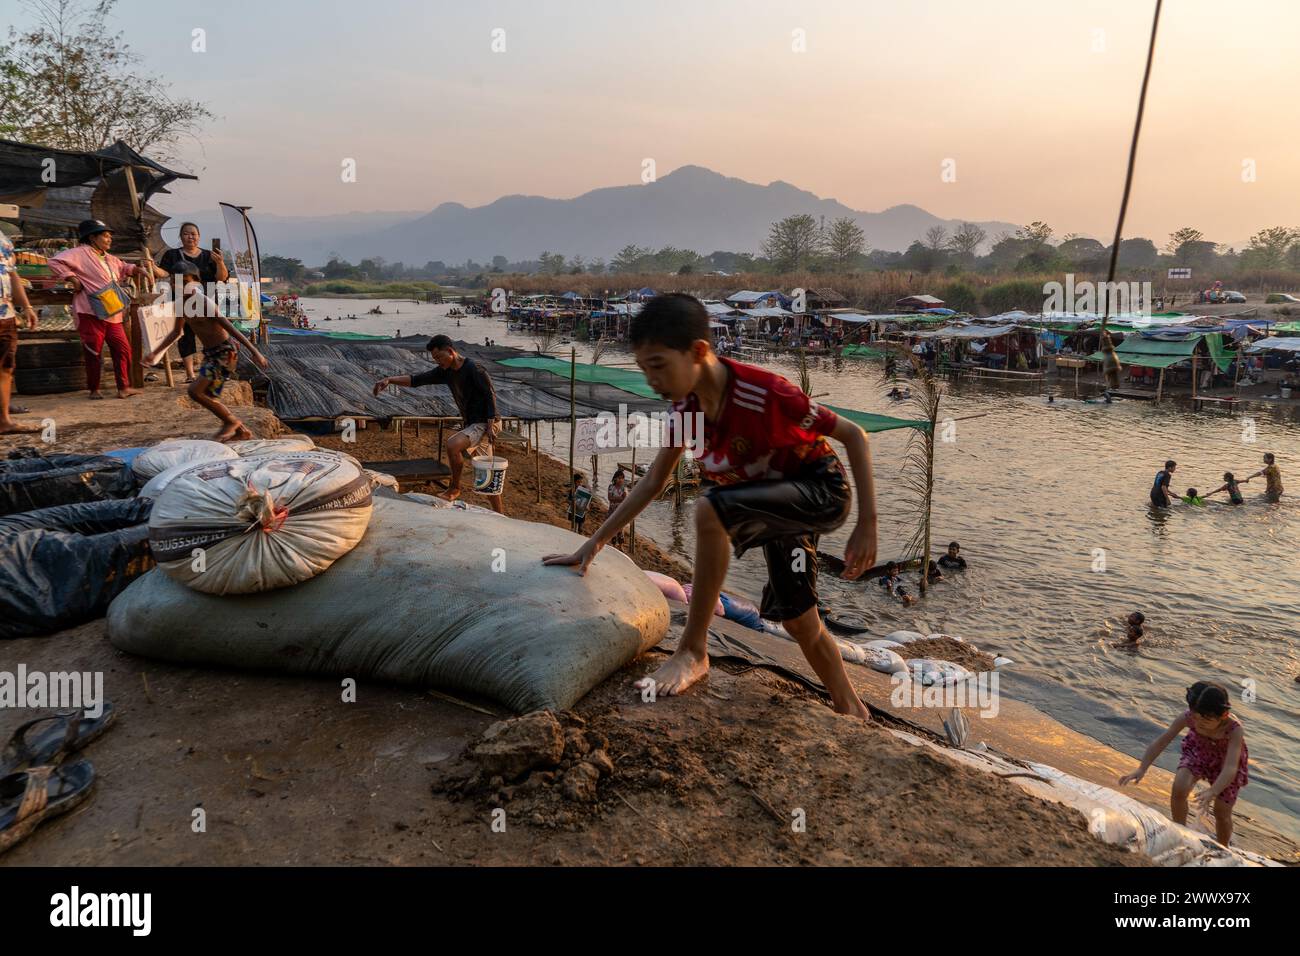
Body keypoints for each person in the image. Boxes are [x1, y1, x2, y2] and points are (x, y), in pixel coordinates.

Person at [542, 293, 877, 718]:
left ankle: (694, 650)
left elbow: (854, 435)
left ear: (698, 351)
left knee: (709, 507)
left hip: (819, 492)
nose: (652, 381)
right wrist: (593, 545)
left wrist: (867, 525)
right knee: (799, 622)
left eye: (659, 366)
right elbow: (652, 481)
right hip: (772, 512)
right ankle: (852, 709)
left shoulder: (766, 393)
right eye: (645, 369)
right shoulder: (686, 412)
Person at [371, 334, 503, 512]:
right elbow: (416, 380)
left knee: (453, 445)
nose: (438, 362)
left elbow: (489, 393)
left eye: (439, 357)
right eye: (435, 359)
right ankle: (500, 514)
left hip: (485, 423)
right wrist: (389, 379)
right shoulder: (446, 372)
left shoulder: (473, 368)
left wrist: (490, 421)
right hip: (473, 424)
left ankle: (454, 488)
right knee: (486, 474)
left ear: (450, 351)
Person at [142, 261, 269, 441]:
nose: (180, 286)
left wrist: (255, 352)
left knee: (195, 391)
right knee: (208, 396)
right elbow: (177, 332)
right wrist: (156, 352)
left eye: (185, 282)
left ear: (196, 283)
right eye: (176, 282)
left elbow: (231, 328)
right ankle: (242, 431)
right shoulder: (180, 304)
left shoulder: (203, 302)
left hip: (225, 353)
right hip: (211, 355)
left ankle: (231, 422)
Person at [48, 219, 168, 399]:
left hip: (112, 312)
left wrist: (137, 270)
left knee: (122, 349)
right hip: (89, 311)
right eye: (105, 236)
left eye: (109, 236)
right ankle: (94, 389)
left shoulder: (108, 257)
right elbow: (54, 262)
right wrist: (71, 278)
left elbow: (123, 267)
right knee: (93, 351)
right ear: (92, 237)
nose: (109, 239)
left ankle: (123, 387)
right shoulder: (80, 253)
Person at [1119, 682, 1248, 847]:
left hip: (1225, 764)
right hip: (1198, 751)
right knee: (1179, 787)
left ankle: (1223, 847)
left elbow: (1231, 767)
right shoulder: (1188, 717)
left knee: (1221, 811)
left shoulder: (1234, 729)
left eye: (1206, 719)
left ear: (1223, 715)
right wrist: (1142, 767)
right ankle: (1180, 832)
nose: (1199, 722)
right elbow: (1162, 741)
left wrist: (1213, 790)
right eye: (1196, 716)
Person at [159, 222, 229, 382]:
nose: (190, 237)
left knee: (212, 333)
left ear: (198, 236)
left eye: (193, 234)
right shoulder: (172, 255)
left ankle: (214, 370)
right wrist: (152, 268)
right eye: (186, 233)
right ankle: (190, 374)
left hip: (208, 300)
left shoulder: (209, 256)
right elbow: (163, 272)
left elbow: (222, 278)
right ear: (180, 236)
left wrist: (220, 262)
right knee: (185, 335)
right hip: (182, 300)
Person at [0, 230, 41, 434]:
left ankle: (4, 421)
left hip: (5, 314)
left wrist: (27, 307)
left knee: (5, 367)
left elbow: (13, 274)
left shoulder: (3, 239)